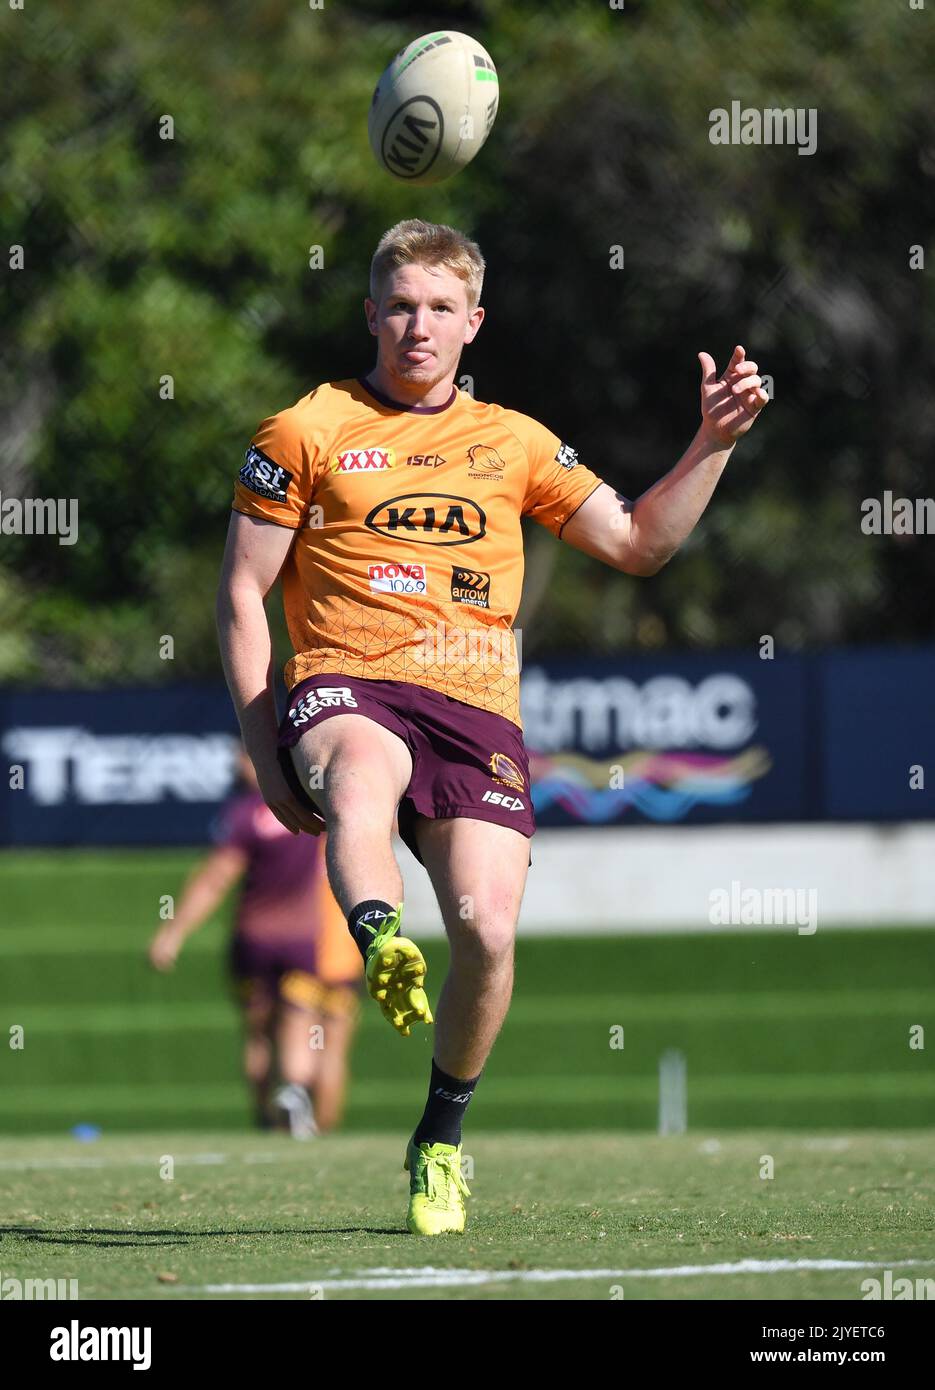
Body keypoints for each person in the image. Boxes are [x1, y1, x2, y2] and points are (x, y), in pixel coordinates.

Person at [216, 218, 769, 1232]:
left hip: (474, 708)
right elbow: (242, 596)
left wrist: (711, 442)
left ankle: (438, 1141)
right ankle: (380, 933)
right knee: (358, 774)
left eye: (438, 309)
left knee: (486, 925)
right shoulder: (303, 429)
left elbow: (640, 543)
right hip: (349, 679)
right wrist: (262, 747)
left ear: (473, 321)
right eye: (398, 305)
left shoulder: (514, 442)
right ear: (369, 313)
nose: (416, 327)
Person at [148, 749, 361, 1136]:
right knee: (304, 1025)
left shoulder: (244, 814)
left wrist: (172, 933)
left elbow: (215, 878)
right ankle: (297, 1095)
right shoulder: (316, 807)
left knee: (258, 1031)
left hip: (253, 939)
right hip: (304, 940)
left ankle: (266, 1118)